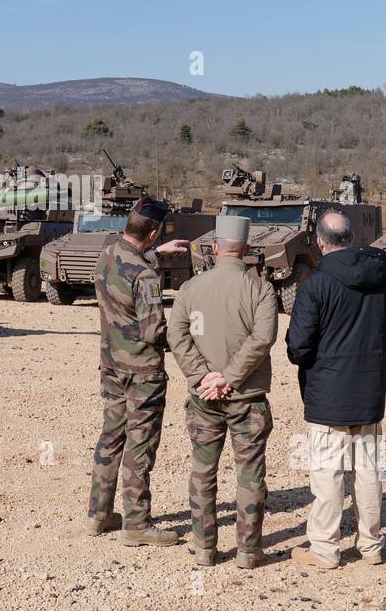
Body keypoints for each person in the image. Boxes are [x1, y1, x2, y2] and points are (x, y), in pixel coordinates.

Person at [286, 210, 386, 570]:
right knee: (370, 472)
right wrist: (372, 351)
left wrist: (322, 361)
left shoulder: (315, 285)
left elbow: (298, 346)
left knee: (328, 474)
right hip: (369, 391)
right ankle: (371, 546)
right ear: (352, 238)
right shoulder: (381, 279)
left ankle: (325, 549)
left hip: (327, 394)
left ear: (320, 242)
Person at [168, 214, 278, 569]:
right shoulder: (260, 289)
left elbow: (177, 336)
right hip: (247, 398)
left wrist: (203, 378)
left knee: (203, 470)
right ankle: (247, 551)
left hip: (203, 400)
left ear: (215, 249)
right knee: (250, 473)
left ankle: (204, 547)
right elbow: (262, 339)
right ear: (245, 250)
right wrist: (229, 378)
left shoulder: (191, 289)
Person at [85, 195, 189, 547]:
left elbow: (126, 268)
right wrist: (188, 333)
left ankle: (98, 514)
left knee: (111, 436)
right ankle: (137, 523)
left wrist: (158, 253)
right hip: (142, 372)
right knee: (140, 444)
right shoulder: (145, 276)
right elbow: (153, 331)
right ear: (155, 231)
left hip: (111, 365)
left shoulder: (108, 253)